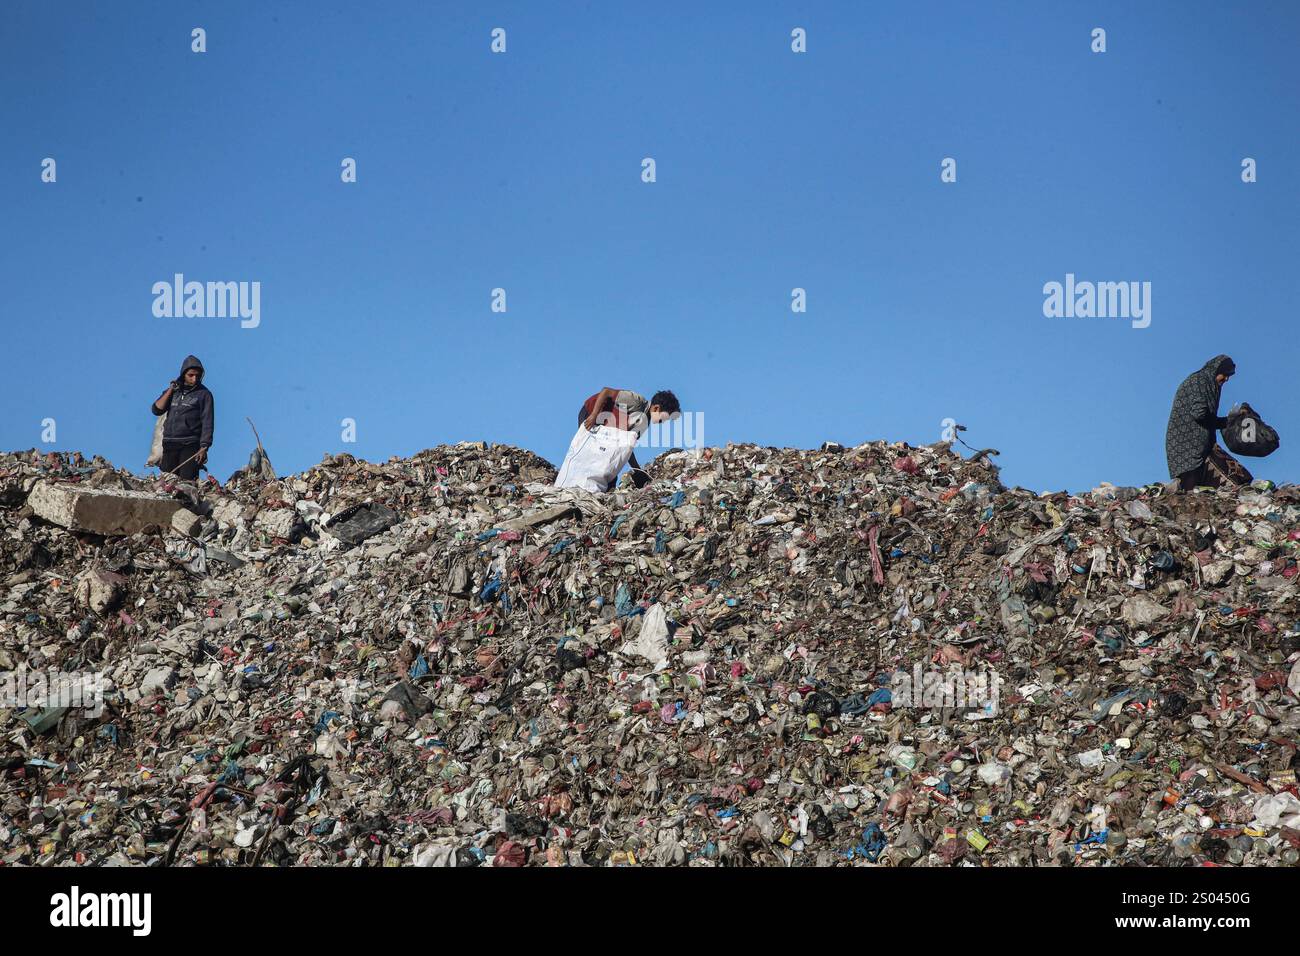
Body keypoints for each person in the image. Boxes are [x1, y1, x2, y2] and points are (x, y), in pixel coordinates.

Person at [1165, 354, 1251, 490]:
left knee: (1232, 480)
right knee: (1190, 487)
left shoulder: (1211, 385)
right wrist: (1226, 422)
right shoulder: (1199, 381)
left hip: (1201, 448)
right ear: (1217, 370)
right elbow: (1199, 414)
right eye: (1225, 374)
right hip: (1186, 447)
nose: (1227, 379)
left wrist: (1230, 420)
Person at [577, 387, 680, 488]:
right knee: (589, 456)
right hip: (591, 414)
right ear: (657, 408)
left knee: (609, 472)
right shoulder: (636, 401)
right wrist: (594, 415)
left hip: (606, 432)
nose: (664, 422)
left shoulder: (643, 424)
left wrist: (638, 471)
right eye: (664, 418)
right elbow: (606, 391)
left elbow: (626, 447)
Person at [151, 355, 214, 480]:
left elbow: (208, 422)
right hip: (169, 443)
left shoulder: (204, 395)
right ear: (183, 374)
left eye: (197, 375)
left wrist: (204, 447)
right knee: (167, 482)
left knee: (186, 483)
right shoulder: (174, 391)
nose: (194, 378)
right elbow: (156, 409)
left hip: (190, 445)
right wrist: (171, 390)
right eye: (191, 375)